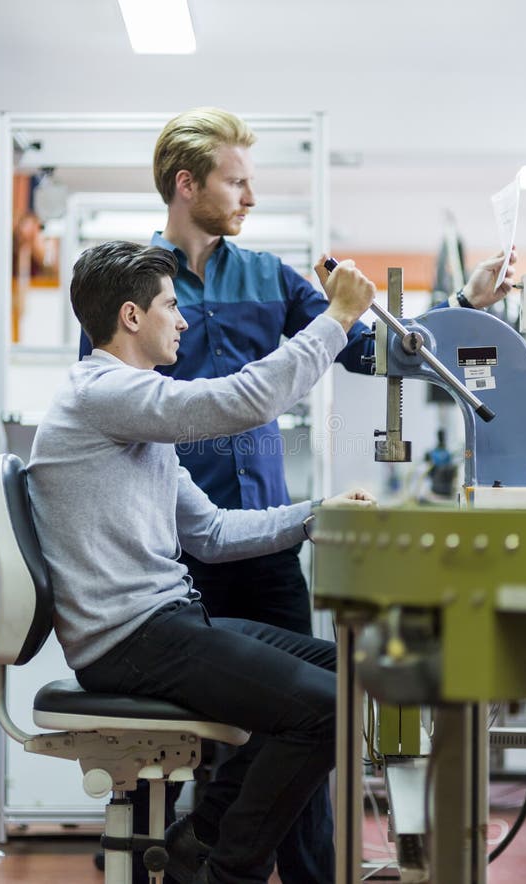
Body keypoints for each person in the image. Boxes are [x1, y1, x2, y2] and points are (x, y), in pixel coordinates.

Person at [80, 108, 517, 884]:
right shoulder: (131, 291)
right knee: (216, 746)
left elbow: (375, 345)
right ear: (188, 185)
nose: (250, 197)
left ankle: (301, 875)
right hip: (177, 557)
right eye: (236, 180)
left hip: (258, 540)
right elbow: (157, 407)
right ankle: (204, 858)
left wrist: (465, 302)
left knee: (308, 731)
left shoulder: (266, 277)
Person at [28, 241, 377, 884]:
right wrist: (336, 321)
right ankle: (228, 869)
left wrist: (316, 514)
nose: (184, 320)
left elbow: (211, 532)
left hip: (168, 623)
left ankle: (202, 840)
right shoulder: (102, 391)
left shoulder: (133, 407)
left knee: (353, 675)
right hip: (132, 638)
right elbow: (239, 402)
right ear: (132, 317)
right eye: (171, 306)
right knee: (329, 710)